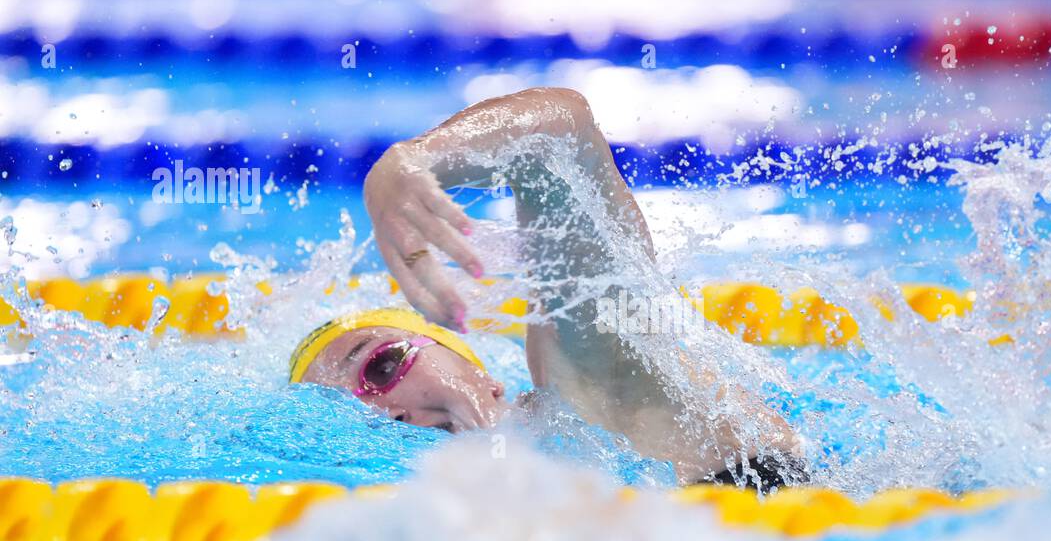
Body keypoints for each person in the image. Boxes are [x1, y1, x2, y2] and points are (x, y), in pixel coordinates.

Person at [290, 87, 807, 491]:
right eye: (349, 419)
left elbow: (563, 133)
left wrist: (410, 162)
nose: (387, 414)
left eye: (381, 366)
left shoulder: (584, 385)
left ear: (478, 370)